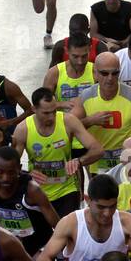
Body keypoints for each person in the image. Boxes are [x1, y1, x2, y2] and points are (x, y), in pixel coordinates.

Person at [14, 86, 102, 218]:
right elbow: (10, 165)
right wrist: (27, 174)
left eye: (54, 111)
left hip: (67, 189)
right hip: (38, 192)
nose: (51, 117)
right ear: (34, 109)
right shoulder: (23, 129)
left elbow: (98, 150)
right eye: (46, 113)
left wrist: (78, 161)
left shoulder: (68, 121)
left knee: (68, 234)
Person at [73, 52, 131, 176]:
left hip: (128, 165)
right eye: (104, 73)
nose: (110, 78)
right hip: (99, 166)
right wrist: (90, 121)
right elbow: (70, 128)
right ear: (95, 73)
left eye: (115, 73)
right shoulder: (86, 97)